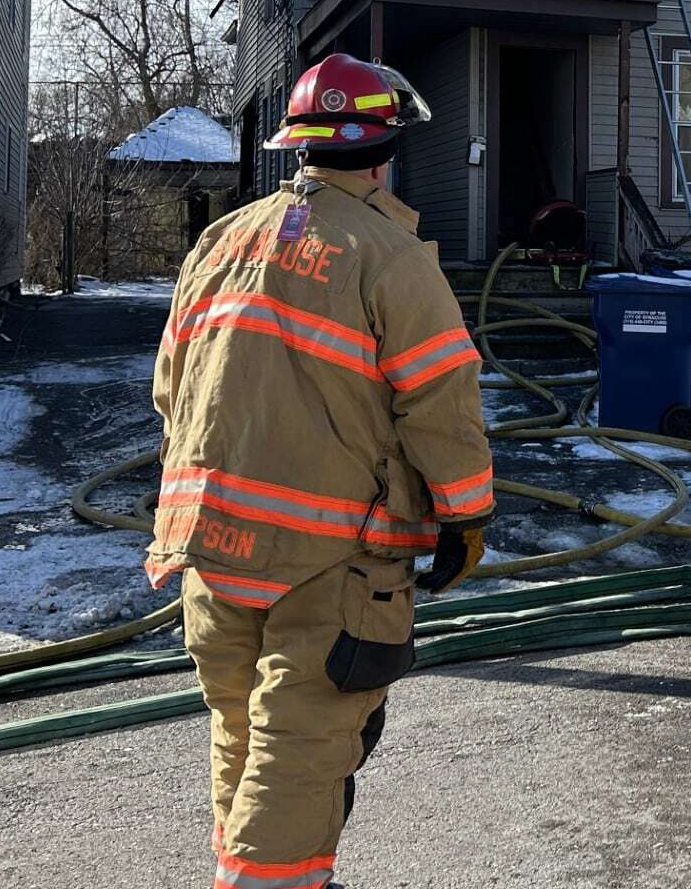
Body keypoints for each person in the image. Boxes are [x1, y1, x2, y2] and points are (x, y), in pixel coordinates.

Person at [147, 53, 493, 889]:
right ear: (386, 151)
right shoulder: (392, 257)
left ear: (296, 146)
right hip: (331, 559)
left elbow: (171, 389)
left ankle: (254, 873)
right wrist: (466, 518)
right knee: (300, 751)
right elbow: (441, 405)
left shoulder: (223, 239)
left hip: (212, 548)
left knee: (244, 738)